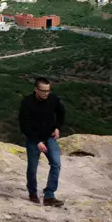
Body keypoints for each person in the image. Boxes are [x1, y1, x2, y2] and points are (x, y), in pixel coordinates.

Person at [19, 76, 65, 207]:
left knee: (56, 164)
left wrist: (57, 127)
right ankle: (32, 192)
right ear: (36, 90)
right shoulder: (27, 103)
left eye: (48, 90)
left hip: (49, 138)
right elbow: (24, 125)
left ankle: (49, 195)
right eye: (43, 91)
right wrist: (37, 141)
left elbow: (61, 112)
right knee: (32, 168)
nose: (46, 93)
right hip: (34, 140)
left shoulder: (53, 99)